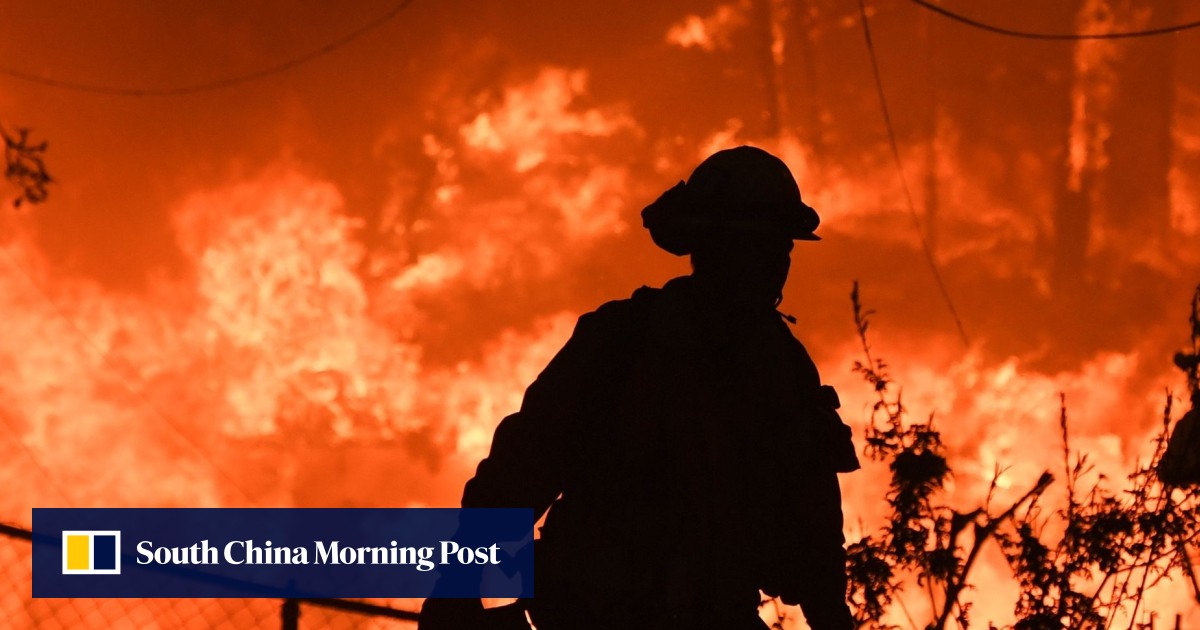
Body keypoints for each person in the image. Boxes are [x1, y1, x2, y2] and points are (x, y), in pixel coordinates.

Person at [420, 146, 860, 630]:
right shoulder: (622, 343)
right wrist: (454, 590)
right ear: (709, 248)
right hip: (593, 615)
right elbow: (520, 470)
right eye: (754, 246)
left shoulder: (784, 373)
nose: (774, 265)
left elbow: (814, 529)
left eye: (781, 249)